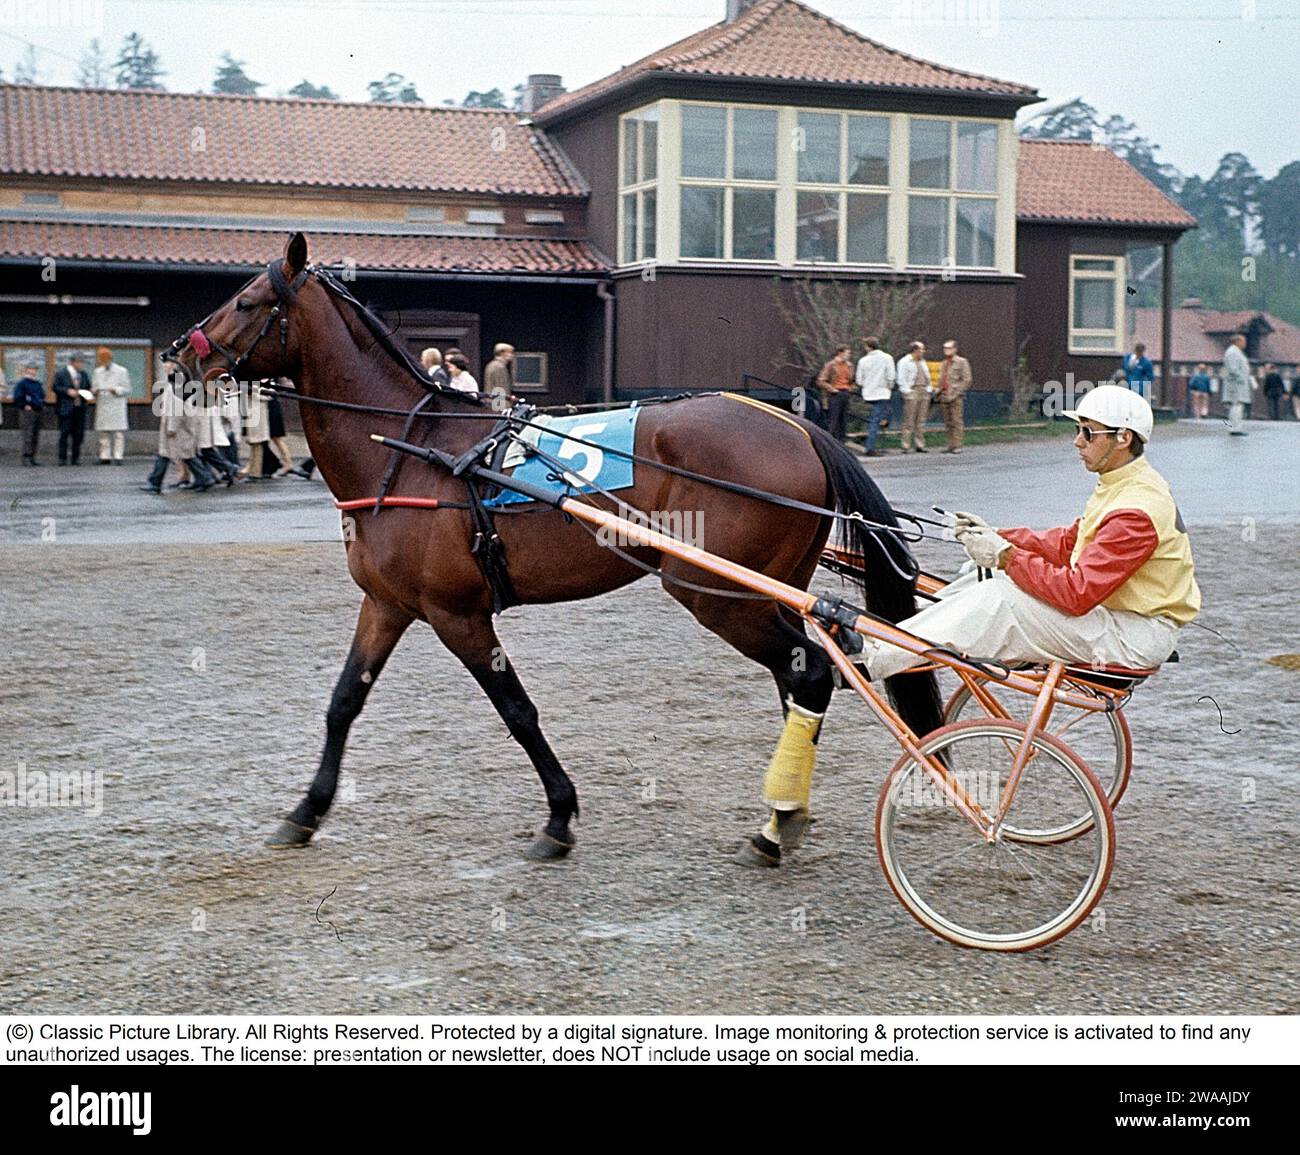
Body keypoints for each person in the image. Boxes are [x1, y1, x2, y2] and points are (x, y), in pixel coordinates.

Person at [859, 385, 1199, 684]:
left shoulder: (1135, 509)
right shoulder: (1124, 483)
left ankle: (872, 658)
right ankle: (897, 628)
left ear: (1123, 438)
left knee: (999, 598)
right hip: (1118, 620)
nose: (1076, 441)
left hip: (1133, 635)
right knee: (987, 578)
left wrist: (1006, 556)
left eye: (1087, 433)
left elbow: (1076, 593)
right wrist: (996, 535)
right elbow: (1069, 544)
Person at [140, 371, 218, 493]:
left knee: (168, 455)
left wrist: (172, 428)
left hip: (178, 430)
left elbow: (176, 411)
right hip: (182, 429)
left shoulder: (178, 392)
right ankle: (204, 478)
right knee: (185, 456)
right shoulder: (181, 390)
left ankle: (155, 482)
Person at [855, 336, 895, 457]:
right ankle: (870, 447)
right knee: (877, 419)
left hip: (868, 393)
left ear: (868, 347)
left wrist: (866, 385)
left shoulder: (863, 361)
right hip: (882, 392)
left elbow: (859, 380)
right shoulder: (887, 358)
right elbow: (891, 376)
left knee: (876, 418)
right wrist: (889, 386)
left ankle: (873, 441)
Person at [91, 346, 130, 464]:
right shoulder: (97, 372)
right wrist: (95, 390)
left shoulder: (122, 371)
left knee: (118, 433)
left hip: (116, 404)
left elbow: (127, 388)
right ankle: (105, 456)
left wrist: (116, 390)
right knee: (104, 433)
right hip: (103, 403)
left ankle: (118, 456)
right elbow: (94, 386)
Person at [51, 353, 91, 465]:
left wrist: (86, 393)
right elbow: (55, 387)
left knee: (78, 434)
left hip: (80, 408)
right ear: (73, 362)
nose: (82, 365)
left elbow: (87, 386)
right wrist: (67, 391)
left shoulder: (83, 374)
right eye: (80, 362)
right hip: (66, 408)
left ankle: (75, 457)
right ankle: (62, 458)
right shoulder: (61, 373)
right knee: (64, 433)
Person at [895, 341, 932, 453]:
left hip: (924, 390)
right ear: (915, 350)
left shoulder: (923, 362)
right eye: (922, 349)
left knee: (921, 420)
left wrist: (929, 389)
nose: (923, 351)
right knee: (909, 420)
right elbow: (901, 378)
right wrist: (907, 392)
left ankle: (919, 444)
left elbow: (927, 377)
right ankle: (905, 445)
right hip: (913, 390)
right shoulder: (905, 362)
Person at [936, 339, 971, 453]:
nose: (946, 350)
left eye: (949, 348)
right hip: (944, 395)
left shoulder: (961, 362)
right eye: (945, 348)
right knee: (948, 422)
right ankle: (950, 444)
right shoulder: (944, 363)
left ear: (955, 349)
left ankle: (958, 445)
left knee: (957, 421)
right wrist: (938, 391)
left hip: (955, 395)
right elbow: (941, 379)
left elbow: (967, 380)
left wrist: (957, 392)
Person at [816, 344, 855, 445]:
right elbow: (821, 380)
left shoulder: (849, 366)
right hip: (835, 393)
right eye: (847, 353)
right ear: (840, 353)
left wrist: (851, 388)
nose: (849, 355)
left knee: (843, 419)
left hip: (845, 392)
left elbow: (852, 380)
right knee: (834, 419)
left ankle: (842, 441)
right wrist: (831, 389)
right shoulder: (831, 365)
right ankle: (831, 441)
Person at [12, 359, 46, 465]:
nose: (33, 371)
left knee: (35, 434)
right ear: (27, 370)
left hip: (37, 410)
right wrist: (24, 405)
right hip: (27, 411)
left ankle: (32, 457)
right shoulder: (22, 383)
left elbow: (42, 395)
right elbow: (17, 397)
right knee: (28, 434)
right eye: (31, 369)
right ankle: (26, 457)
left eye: (35, 369)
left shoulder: (37, 383)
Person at [1221, 334, 1252, 436]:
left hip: (1239, 383)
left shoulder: (1236, 352)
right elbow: (1233, 368)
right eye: (1244, 342)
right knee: (1236, 405)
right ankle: (1235, 428)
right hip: (1236, 384)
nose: (1245, 344)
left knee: (1238, 405)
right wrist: (1241, 378)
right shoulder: (1232, 352)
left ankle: (1236, 427)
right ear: (1238, 341)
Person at [484, 343, 515, 409]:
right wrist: (505, 406)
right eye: (510, 352)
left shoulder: (491, 365)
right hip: (498, 404)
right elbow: (501, 388)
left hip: (492, 403)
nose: (512, 355)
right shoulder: (499, 367)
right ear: (502, 353)